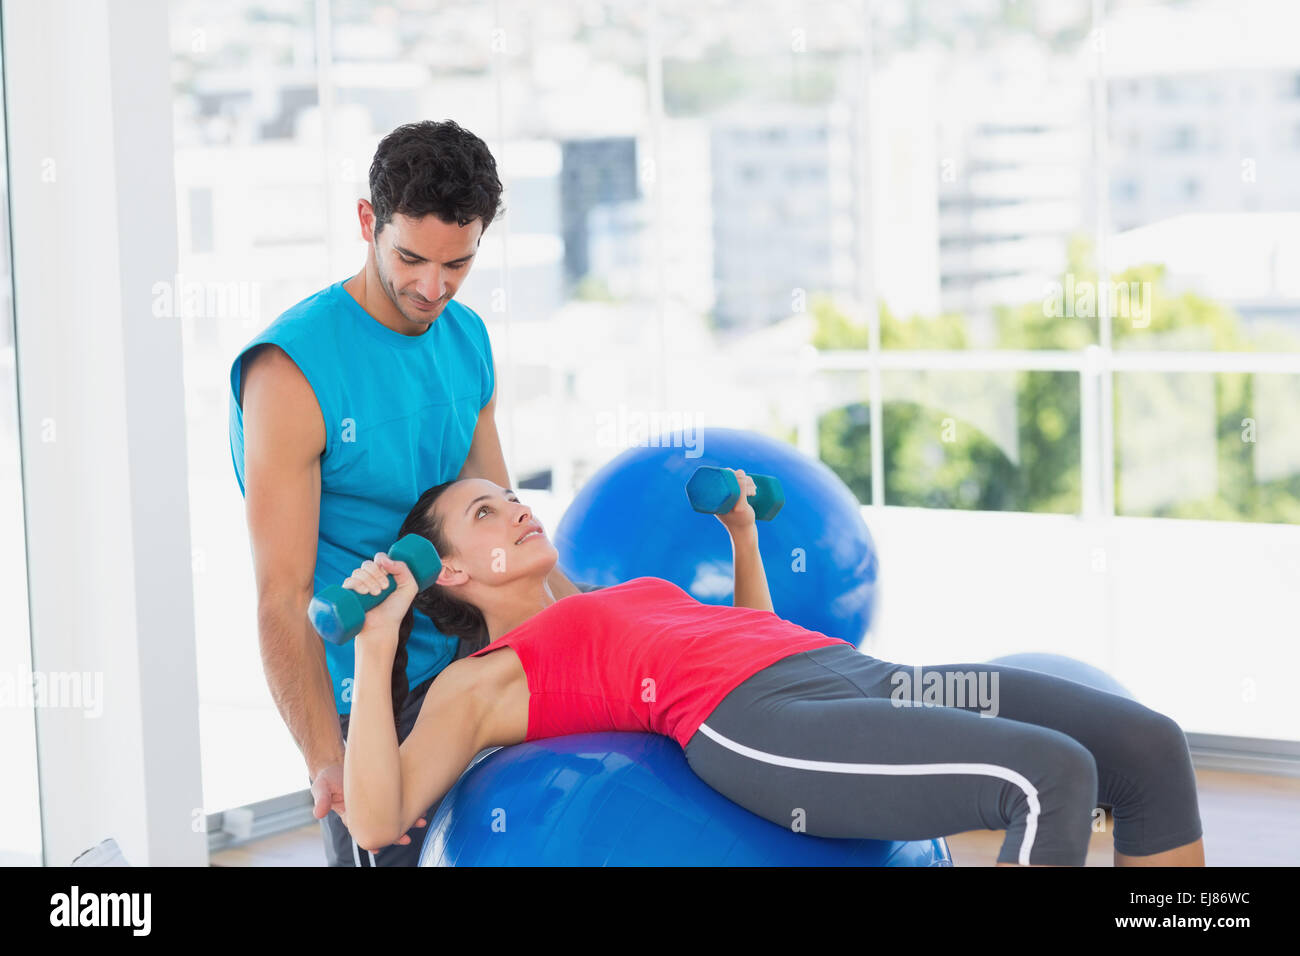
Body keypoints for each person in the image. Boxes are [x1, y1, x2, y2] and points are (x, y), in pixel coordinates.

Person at [340, 469, 1206, 867]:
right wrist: (377, 640)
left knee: (1147, 747)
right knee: (1047, 777)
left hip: (847, 672)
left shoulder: (606, 600)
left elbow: (753, 630)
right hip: (759, 724)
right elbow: (378, 822)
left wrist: (743, 536)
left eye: (513, 497)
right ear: (448, 570)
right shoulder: (483, 678)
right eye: (486, 514)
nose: (518, 511)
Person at [227, 120, 580, 867]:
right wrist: (329, 760)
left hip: (476, 671)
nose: (433, 287)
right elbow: (281, 597)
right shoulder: (289, 373)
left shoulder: (468, 338)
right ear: (367, 222)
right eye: (411, 258)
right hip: (371, 705)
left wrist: (600, 627)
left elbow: (507, 526)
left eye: (458, 263)